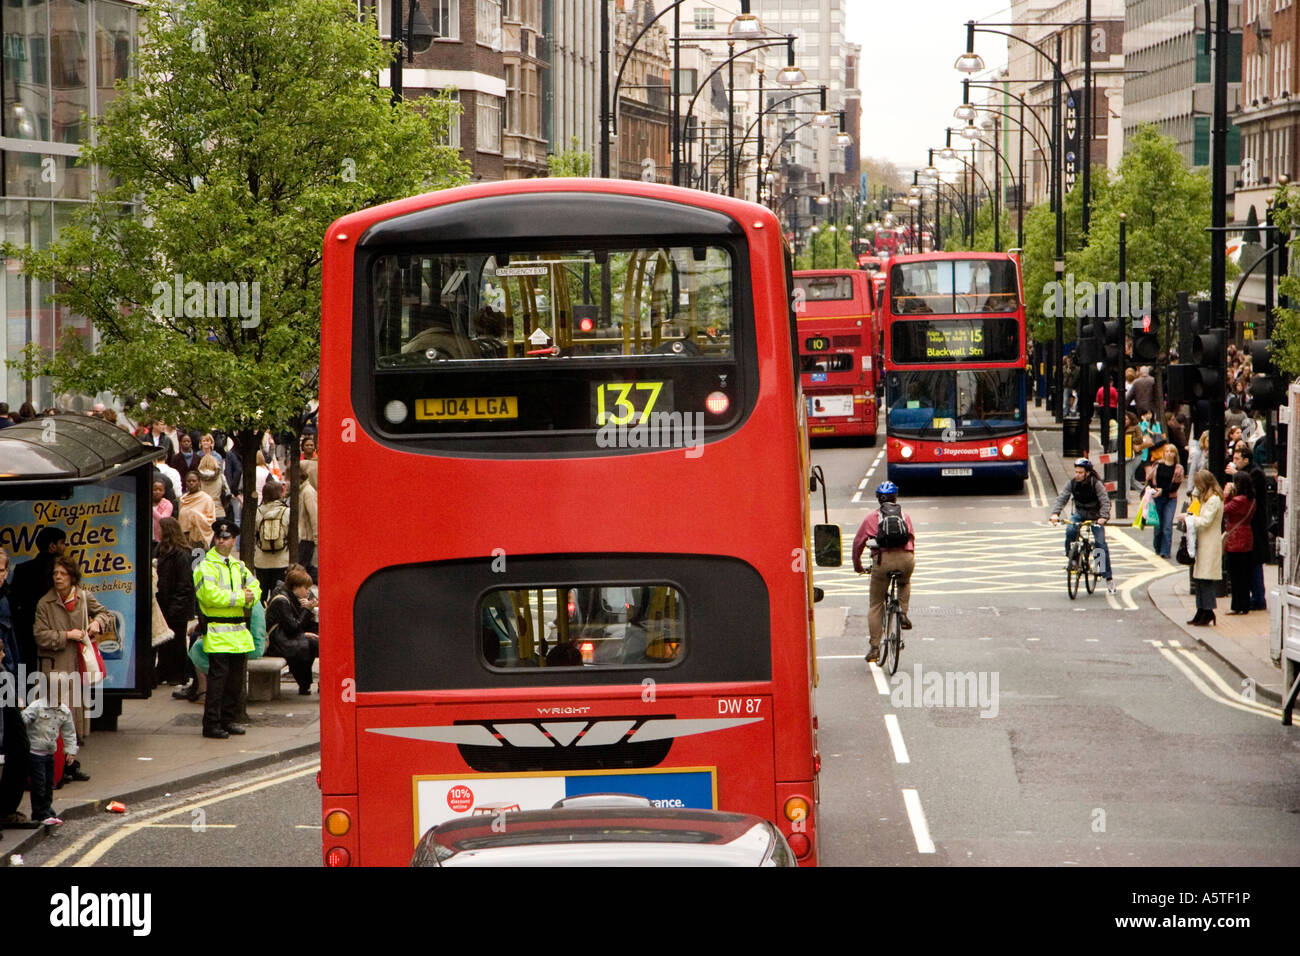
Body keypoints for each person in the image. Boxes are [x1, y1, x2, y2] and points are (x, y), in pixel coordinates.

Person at [33, 554, 111, 746]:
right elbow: (40, 635)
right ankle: (59, 764)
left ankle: (72, 761)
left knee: (75, 714)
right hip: (54, 667)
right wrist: (67, 635)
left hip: (78, 664)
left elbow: (105, 614)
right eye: (55, 573)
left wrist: (97, 624)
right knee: (55, 716)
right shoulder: (45, 603)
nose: (58, 577)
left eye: (63, 573)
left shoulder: (84, 598)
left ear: (72, 576)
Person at [194, 517, 260, 739]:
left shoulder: (238, 566)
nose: (221, 541)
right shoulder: (205, 566)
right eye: (219, 537)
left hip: (238, 633)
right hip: (217, 632)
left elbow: (255, 588)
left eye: (226, 538)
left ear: (234, 541)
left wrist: (248, 597)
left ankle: (227, 720)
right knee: (217, 684)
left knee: (233, 683)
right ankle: (211, 724)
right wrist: (242, 597)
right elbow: (210, 596)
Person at [851, 481, 916, 664]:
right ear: (896, 497)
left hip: (882, 560)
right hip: (906, 558)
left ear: (878, 498)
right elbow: (911, 540)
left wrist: (858, 566)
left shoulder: (871, 518)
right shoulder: (905, 516)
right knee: (904, 582)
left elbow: (858, 544)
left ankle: (874, 647)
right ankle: (902, 613)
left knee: (876, 604)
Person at [0, 548, 33, 828]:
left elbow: (12, 647)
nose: (0, 576)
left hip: (7, 681)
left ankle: (7, 808)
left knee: (19, 746)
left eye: (2, 570)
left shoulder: (5, 600)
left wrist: (18, 686)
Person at [1049, 457, 1116, 594]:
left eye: (1080, 472)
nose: (1077, 475)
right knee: (1070, 529)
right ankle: (1072, 559)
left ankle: (1108, 578)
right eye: (1076, 472)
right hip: (1080, 513)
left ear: (1087, 473)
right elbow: (1062, 498)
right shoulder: (1072, 483)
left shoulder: (1095, 483)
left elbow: (1105, 501)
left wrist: (1103, 517)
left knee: (1100, 544)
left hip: (1096, 516)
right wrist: (1055, 513)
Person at [10, 527, 68, 682]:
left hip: (27, 634)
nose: (65, 547)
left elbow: (14, 603)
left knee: (30, 678)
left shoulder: (22, 569)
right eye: (62, 543)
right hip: (56, 634)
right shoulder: (61, 572)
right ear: (52, 546)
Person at [21, 677, 78, 826]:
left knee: (48, 784)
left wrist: (70, 751)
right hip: (34, 753)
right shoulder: (36, 706)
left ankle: (47, 811)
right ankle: (39, 814)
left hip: (49, 753)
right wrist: (21, 712)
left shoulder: (64, 710)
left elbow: (69, 732)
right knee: (38, 785)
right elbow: (23, 720)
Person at [156, 518, 197, 690]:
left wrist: (175, 607)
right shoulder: (160, 550)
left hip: (176, 606)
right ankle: (166, 671)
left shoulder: (181, 554)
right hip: (165, 604)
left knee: (177, 641)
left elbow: (185, 584)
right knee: (166, 642)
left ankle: (178, 673)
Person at [265, 567, 320, 695]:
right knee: (309, 645)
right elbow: (293, 627)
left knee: (312, 643)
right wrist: (306, 609)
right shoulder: (282, 600)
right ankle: (305, 684)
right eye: (305, 588)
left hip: (284, 638)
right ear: (296, 587)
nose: (308, 592)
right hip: (278, 642)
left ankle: (305, 684)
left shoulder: (290, 597)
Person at [1179, 470, 1224, 626]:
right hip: (1202, 542)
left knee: (1205, 579)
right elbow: (1195, 498)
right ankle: (1201, 610)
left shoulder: (1214, 500)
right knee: (1198, 579)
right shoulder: (1205, 498)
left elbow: (1205, 521)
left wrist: (1188, 518)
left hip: (1210, 543)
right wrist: (1195, 493)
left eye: (1198, 484)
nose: (1196, 487)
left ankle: (1208, 611)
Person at [1231, 442, 1270, 611]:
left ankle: (1259, 598)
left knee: (1255, 562)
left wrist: (1235, 475)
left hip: (1255, 524)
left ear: (1246, 459)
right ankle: (1255, 597)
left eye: (1237, 459)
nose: (1234, 461)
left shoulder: (1255, 473)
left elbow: (1246, 495)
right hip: (1247, 524)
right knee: (1250, 562)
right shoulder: (1248, 471)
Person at [1144, 441, 1184, 559]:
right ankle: (1157, 548)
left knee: (1167, 526)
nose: (1169, 454)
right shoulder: (1157, 465)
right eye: (1167, 451)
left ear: (1175, 454)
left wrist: (1163, 491)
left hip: (1170, 499)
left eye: (1171, 452)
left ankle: (1165, 551)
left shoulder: (1178, 468)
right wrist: (1152, 490)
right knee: (1158, 527)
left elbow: (1175, 486)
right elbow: (1150, 480)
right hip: (1157, 499)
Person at [1222, 479, 1256, 615]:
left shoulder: (1238, 500)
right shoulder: (1251, 499)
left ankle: (1237, 605)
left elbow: (1224, 510)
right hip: (1247, 536)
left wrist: (1226, 494)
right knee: (1245, 574)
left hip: (1236, 538)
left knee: (1235, 575)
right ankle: (1245, 605)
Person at [254, 480, 291, 596]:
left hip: (261, 561)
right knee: (279, 596)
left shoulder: (257, 512)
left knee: (261, 595)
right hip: (281, 561)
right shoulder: (287, 511)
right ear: (280, 494)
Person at [178, 469, 216, 549]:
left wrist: (196, 515)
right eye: (189, 481)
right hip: (183, 539)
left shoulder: (206, 499)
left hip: (198, 541)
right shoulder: (183, 499)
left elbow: (211, 521)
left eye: (194, 481)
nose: (191, 483)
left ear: (199, 482)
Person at [298, 468, 318, 581]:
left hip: (306, 537)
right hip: (304, 537)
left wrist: (316, 536)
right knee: (306, 567)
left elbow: (314, 515)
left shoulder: (308, 492)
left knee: (303, 567)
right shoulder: (303, 490)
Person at [151, 478, 174, 545]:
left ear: (164, 492)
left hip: (160, 541)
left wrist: (150, 508)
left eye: (160, 490)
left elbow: (163, 520)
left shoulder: (167, 504)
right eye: (155, 490)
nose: (157, 492)